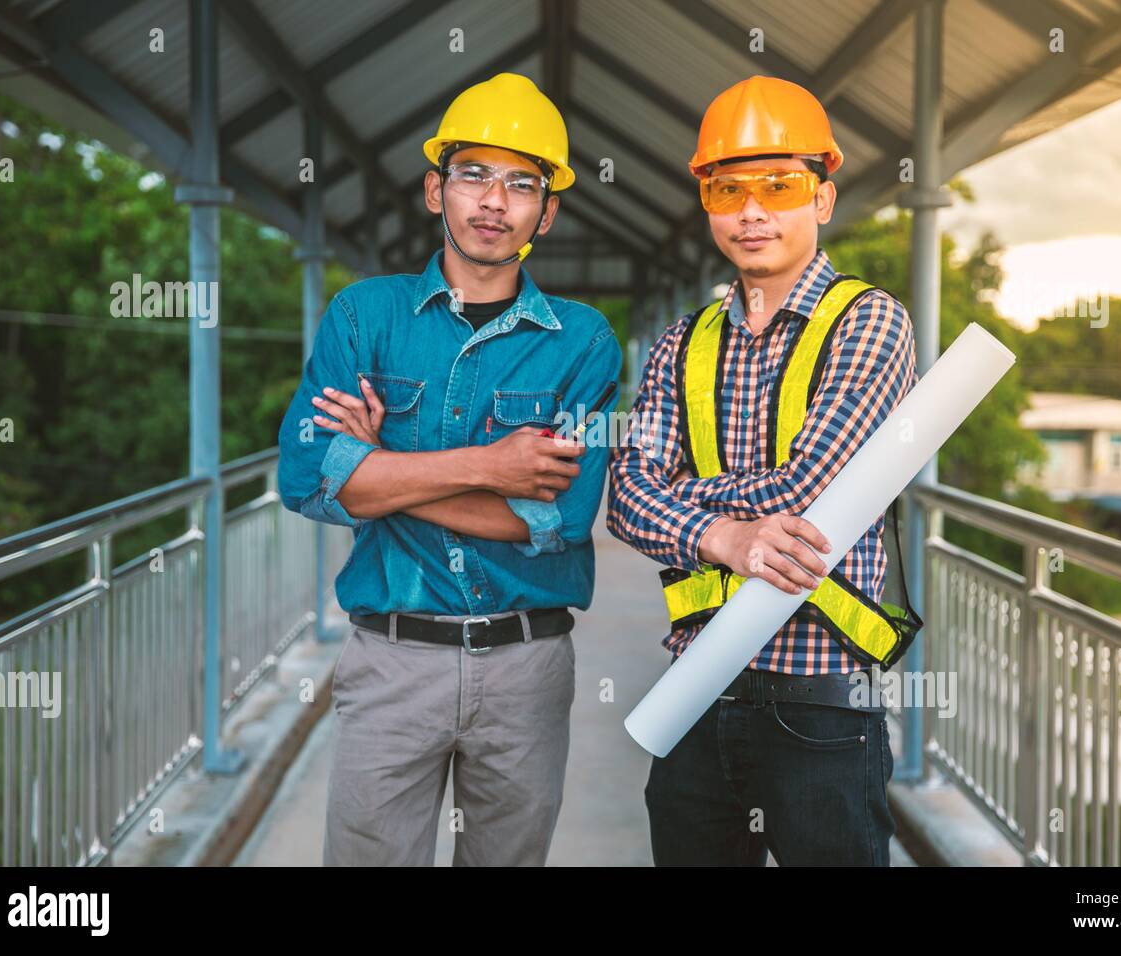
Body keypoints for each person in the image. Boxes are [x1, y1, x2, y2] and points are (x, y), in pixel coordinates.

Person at [277, 72, 622, 866]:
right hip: (392, 659)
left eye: (521, 184)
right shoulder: (365, 314)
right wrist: (490, 466)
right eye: (473, 174)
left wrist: (377, 474)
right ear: (436, 189)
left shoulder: (583, 340)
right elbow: (304, 480)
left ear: (548, 209)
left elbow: (557, 524)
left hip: (527, 668)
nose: (494, 202)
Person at [607, 75, 921, 866]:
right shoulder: (682, 342)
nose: (752, 211)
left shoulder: (871, 320)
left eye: (779, 186)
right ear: (707, 203)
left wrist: (686, 503)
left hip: (818, 703)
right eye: (727, 188)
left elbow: (813, 490)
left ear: (822, 197)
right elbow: (624, 496)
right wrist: (722, 534)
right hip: (697, 689)